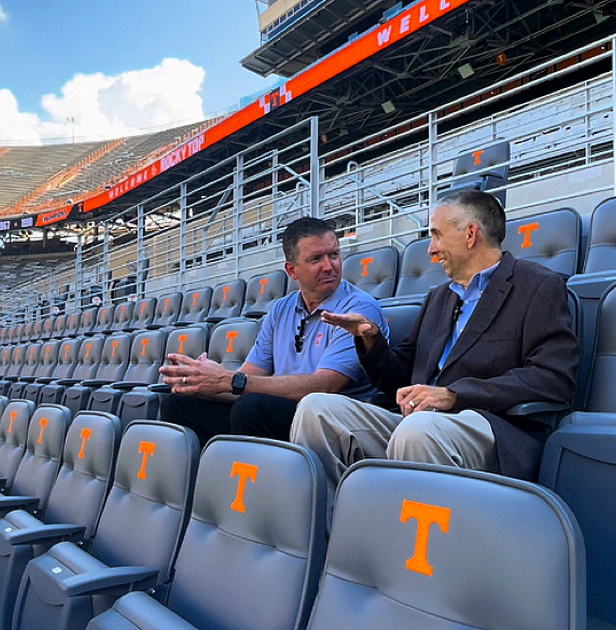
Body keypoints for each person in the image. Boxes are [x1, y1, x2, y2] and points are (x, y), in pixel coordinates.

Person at [291, 190, 578, 491]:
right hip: (420, 425)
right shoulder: (439, 297)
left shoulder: (538, 286)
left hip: (490, 426)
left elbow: (553, 377)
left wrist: (455, 394)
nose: (431, 249)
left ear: (471, 235)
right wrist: (370, 339)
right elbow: (399, 376)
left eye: (437, 235)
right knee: (315, 410)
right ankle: (336, 519)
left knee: (418, 430)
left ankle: (404, 523)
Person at [158, 217, 389, 444]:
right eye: (316, 259)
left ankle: (254, 469)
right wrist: (201, 382)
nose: (329, 266)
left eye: (334, 255)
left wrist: (229, 380)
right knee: (178, 405)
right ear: (292, 270)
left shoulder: (359, 309)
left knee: (252, 407)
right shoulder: (281, 309)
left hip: (327, 419)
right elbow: (248, 377)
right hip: (278, 410)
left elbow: (324, 386)